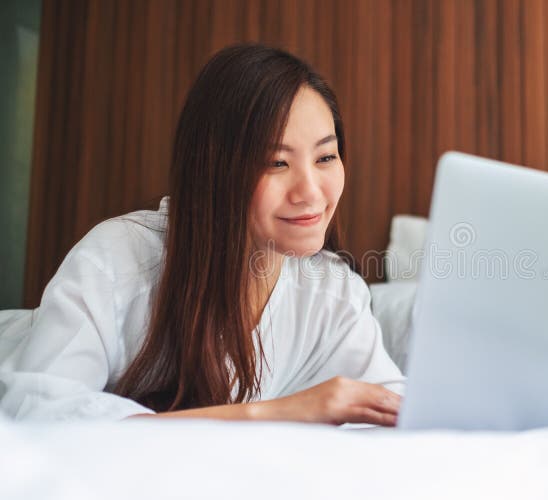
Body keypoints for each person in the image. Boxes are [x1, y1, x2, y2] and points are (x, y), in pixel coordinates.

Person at [0, 44, 404, 425]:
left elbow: (394, 411)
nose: (311, 192)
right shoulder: (115, 261)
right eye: (277, 163)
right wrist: (271, 414)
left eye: (326, 157)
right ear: (215, 170)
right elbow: (40, 417)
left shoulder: (333, 294)